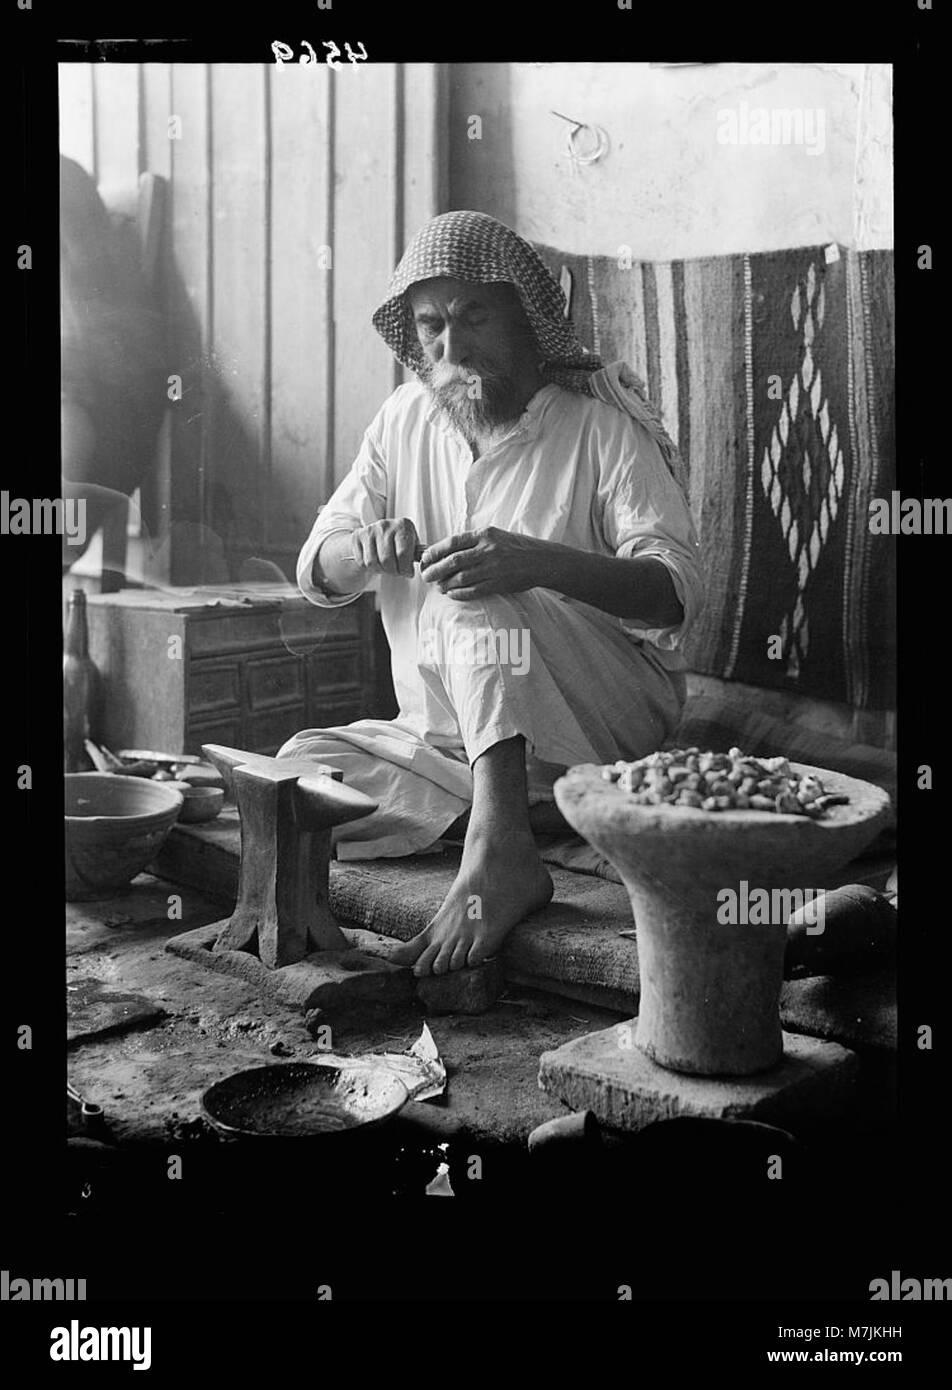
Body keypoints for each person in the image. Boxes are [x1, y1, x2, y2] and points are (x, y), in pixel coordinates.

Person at [280, 210, 703, 978]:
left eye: (476, 315)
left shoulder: (600, 430)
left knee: (471, 592)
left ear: (528, 320)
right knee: (301, 775)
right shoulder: (404, 418)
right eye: (432, 324)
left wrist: (538, 563)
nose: (453, 347)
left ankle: (501, 850)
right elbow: (318, 566)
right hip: (446, 738)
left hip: (601, 718)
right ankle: (526, 812)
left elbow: (672, 596)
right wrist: (360, 550)